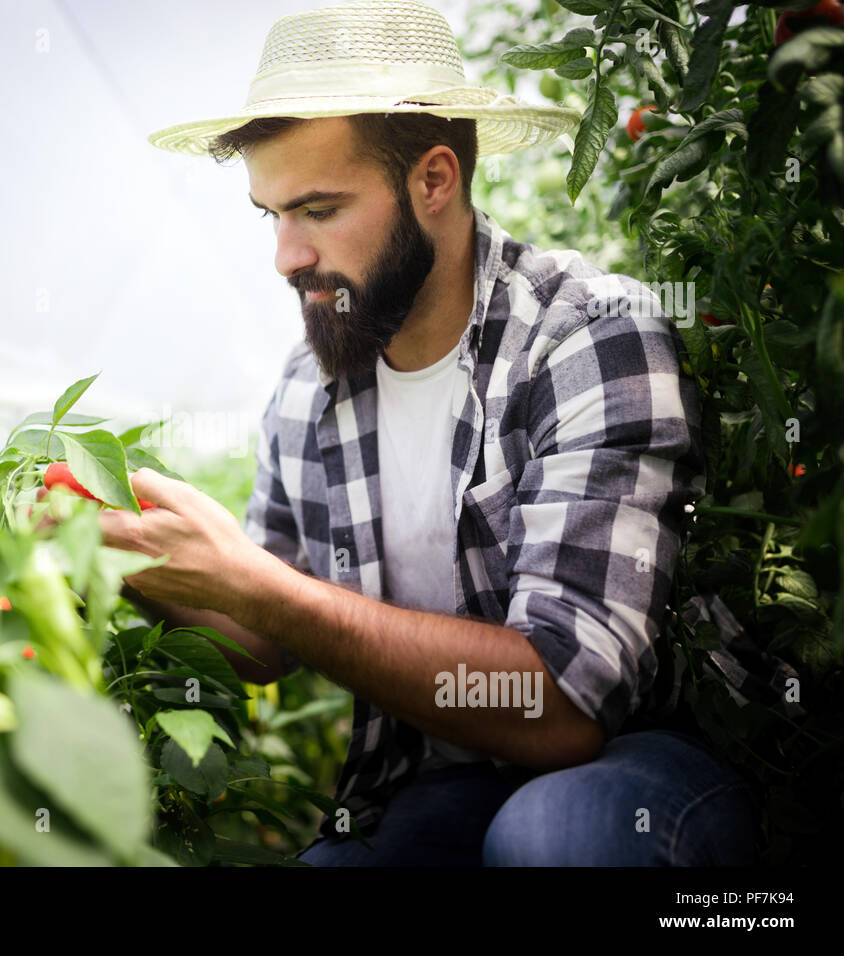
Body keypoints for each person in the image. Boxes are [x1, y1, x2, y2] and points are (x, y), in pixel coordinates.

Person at [102, 0, 761, 865]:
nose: (286, 256)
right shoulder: (310, 391)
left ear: (435, 180)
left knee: (555, 835)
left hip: (637, 760)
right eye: (273, 216)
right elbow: (265, 642)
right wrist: (131, 557)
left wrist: (257, 585)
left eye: (320, 209)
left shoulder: (586, 335)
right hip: (438, 780)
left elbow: (564, 706)